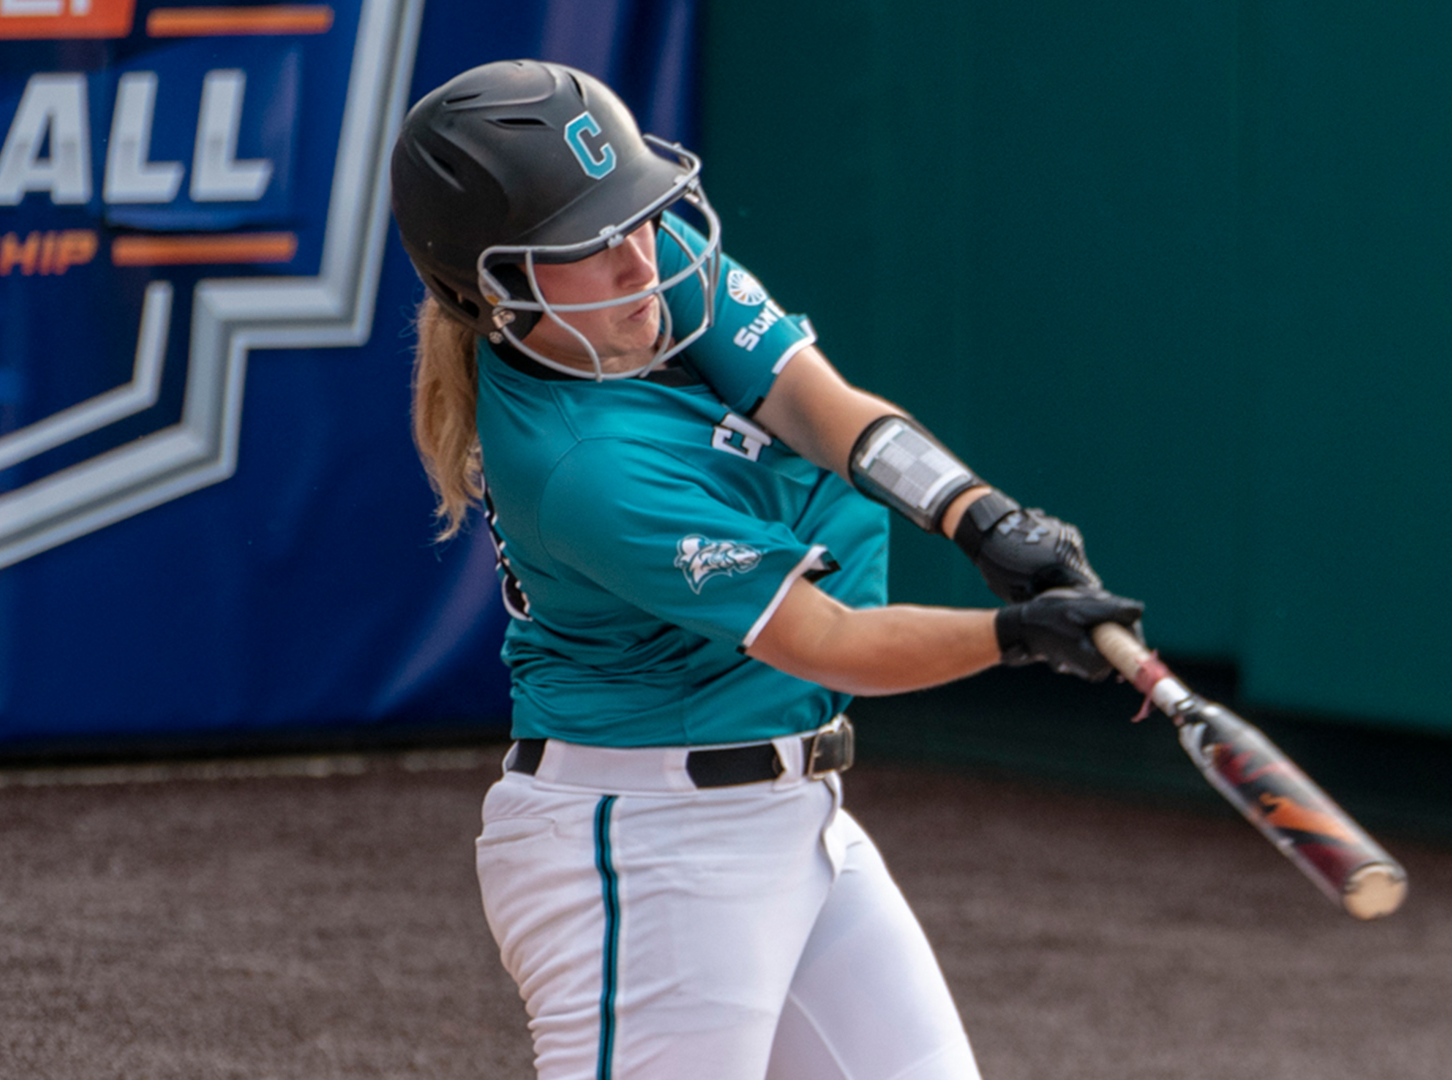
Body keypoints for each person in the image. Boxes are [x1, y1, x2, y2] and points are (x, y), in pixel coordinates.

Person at [389, 59, 1143, 1080]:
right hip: (647, 851)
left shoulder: (646, 279)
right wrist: (1014, 636)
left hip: (792, 813)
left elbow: (817, 405)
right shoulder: (582, 469)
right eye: (591, 245)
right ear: (497, 286)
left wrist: (982, 519)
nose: (639, 259)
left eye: (638, 219)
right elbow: (827, 639)